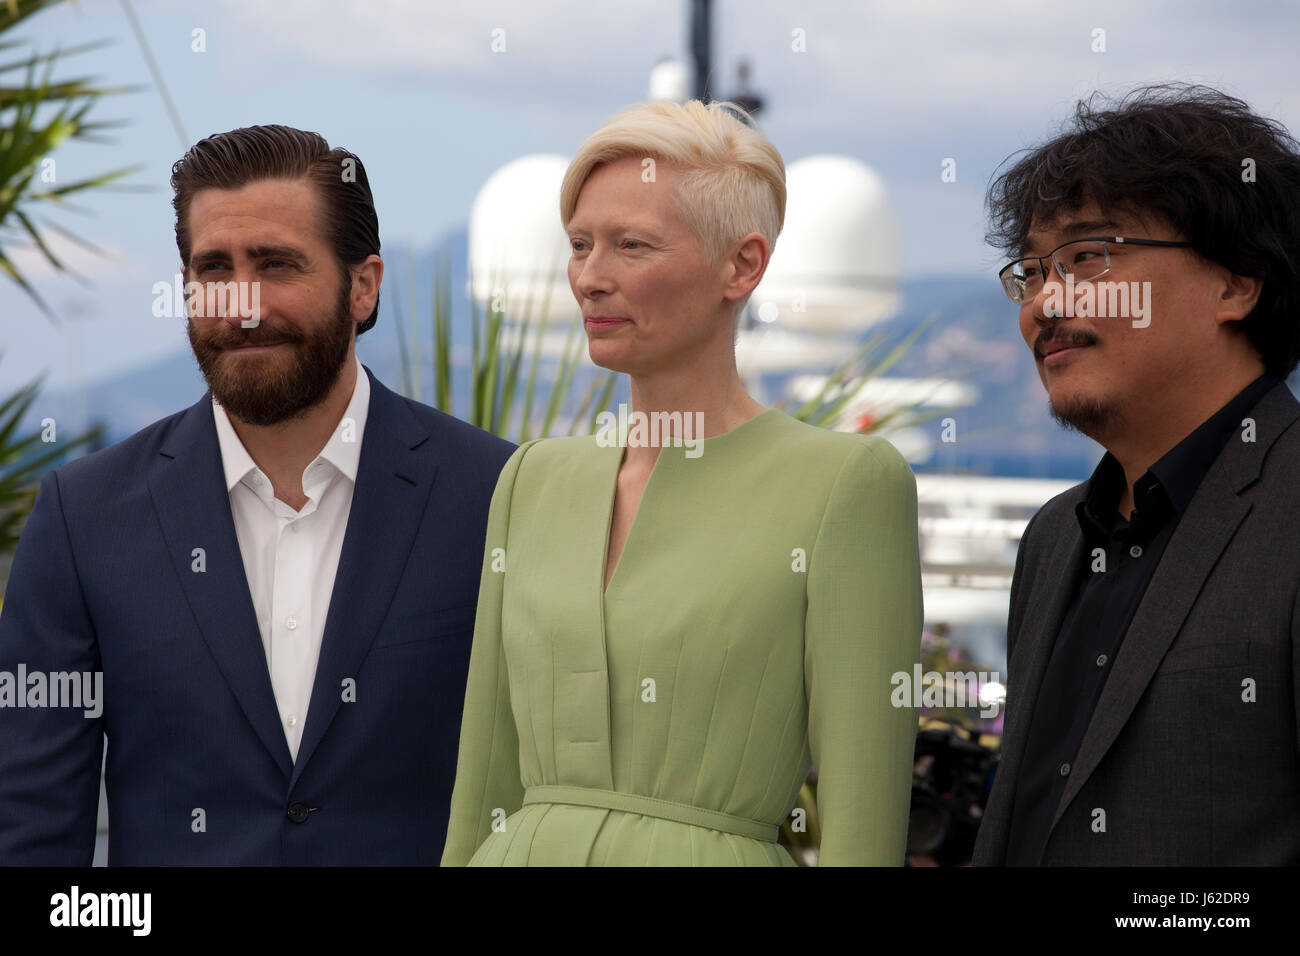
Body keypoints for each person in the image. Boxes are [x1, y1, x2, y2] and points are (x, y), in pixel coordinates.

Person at [0, 125, 514, 864]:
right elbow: (31, 829)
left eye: (276, 265)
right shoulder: (85, 521)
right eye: (214, 269)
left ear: (363, 285)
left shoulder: (493, 495)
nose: (242, 304)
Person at [441, 100, 922, 866]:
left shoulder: (848, 485)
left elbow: (862, 822)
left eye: (631, 245)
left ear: (743, 265)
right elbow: (483, 788)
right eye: (578, 245)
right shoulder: (531, 479)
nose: (590, 279)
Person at [972, 85, 1300, 865]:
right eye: (1031, 271)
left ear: (1234, 282)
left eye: (1087, 257)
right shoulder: (1056, 535)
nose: (1045, 302)